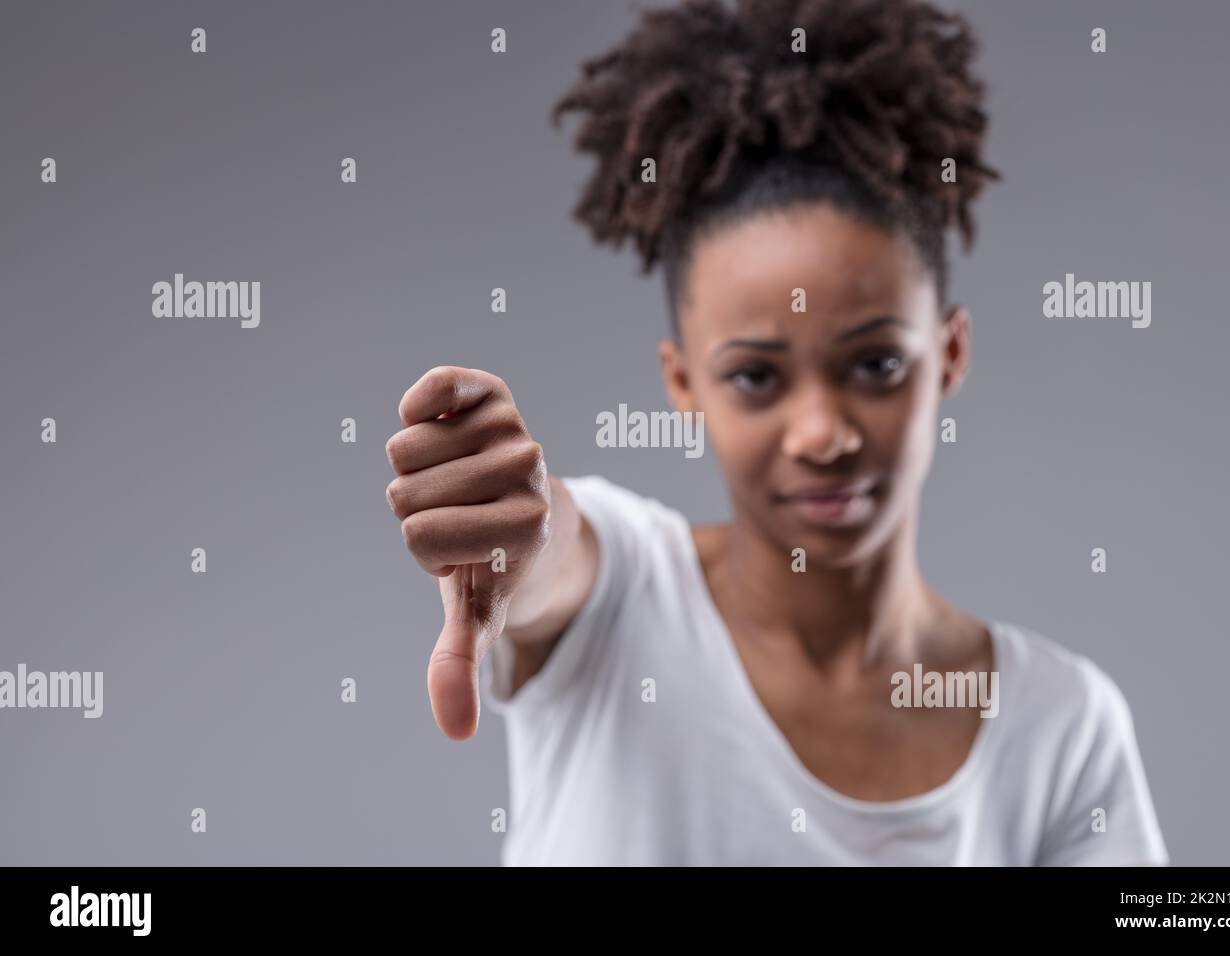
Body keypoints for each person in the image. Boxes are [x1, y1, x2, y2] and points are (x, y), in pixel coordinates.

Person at [384, 0, 1169, 865]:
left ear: (949, 354)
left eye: (874, 365)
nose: (822, 433)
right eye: (756, 377)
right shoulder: (623, 598)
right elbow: (556, 554)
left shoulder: (1061, 728)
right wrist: (513, 527)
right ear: (683, 383)